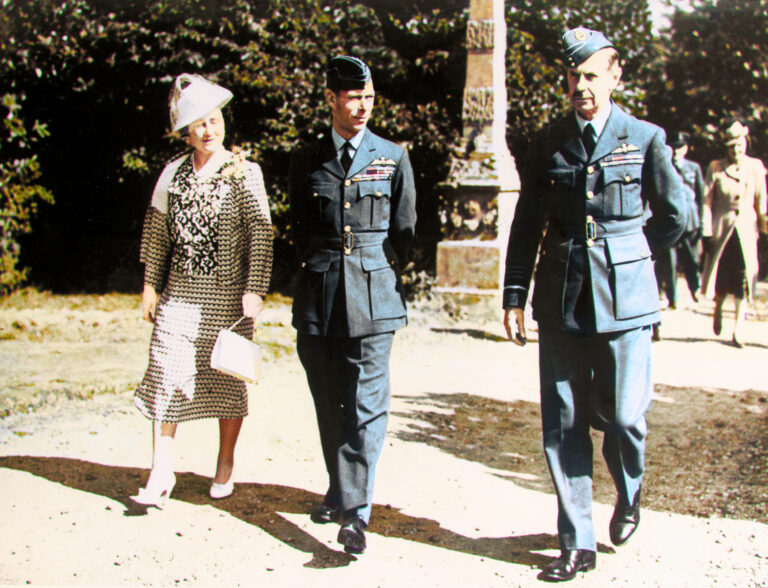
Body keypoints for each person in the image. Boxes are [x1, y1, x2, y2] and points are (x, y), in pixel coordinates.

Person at [502, 28, 685, 582]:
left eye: (591, 75)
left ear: (615, 75)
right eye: (572, 76)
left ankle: (629, 493)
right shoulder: (548, 142)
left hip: (626, 299)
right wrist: (515, 295)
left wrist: (633, 257)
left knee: (624, 417)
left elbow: (675, 216)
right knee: (563, 422)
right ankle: (577, 542)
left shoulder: (645, 138)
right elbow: (527, 223)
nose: (581, 86)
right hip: (561, 297)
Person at [288, 55, 416, 554]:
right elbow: (299, 227)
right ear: (331, 99)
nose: (362, 106)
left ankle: (355, 514)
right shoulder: (307, 158)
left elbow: (404, 232)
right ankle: (341, 487)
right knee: (328, 398)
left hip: (374, 296)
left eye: (369, 97)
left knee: (365, 404)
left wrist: (374, 272)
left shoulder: (392, 156)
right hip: (319, 295)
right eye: (352, 97)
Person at [132, 74, 273, 507]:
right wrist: (150, 285)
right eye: (199, 125)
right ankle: (161, 472)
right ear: (186, 132)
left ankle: (225, 462)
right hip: (180, 293)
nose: (208, 131)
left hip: (229, 297)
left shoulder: (245, 172)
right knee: (165, 373)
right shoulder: (172, 174)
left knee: (226, 380)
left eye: (214, 121)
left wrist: (255, 290)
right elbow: (158, 233)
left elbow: (260, 233)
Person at [700, 120, 768, 348]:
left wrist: (764, 226)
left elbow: (761, 202)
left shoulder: (755, 167)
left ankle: (738, 329)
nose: (736, 150)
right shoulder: (716, 167)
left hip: (746, 230)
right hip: (722, 230)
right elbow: (706, 202)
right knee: (721, 276)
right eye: (731, 146)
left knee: (743, 277)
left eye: (739, 145)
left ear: (745, 144)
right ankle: (718, 306)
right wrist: (707, 231)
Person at [652, 131, 706, 340]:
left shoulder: (693, 167)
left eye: (680, 146)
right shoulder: (665, 165)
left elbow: (700, 196)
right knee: (670, 261)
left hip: (690, 220)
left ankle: (695, 288)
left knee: (692, 259)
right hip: (672, 221)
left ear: (686, 148)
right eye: (674, 146)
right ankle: (672, 297)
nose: (676, 150)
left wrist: (701, 221)